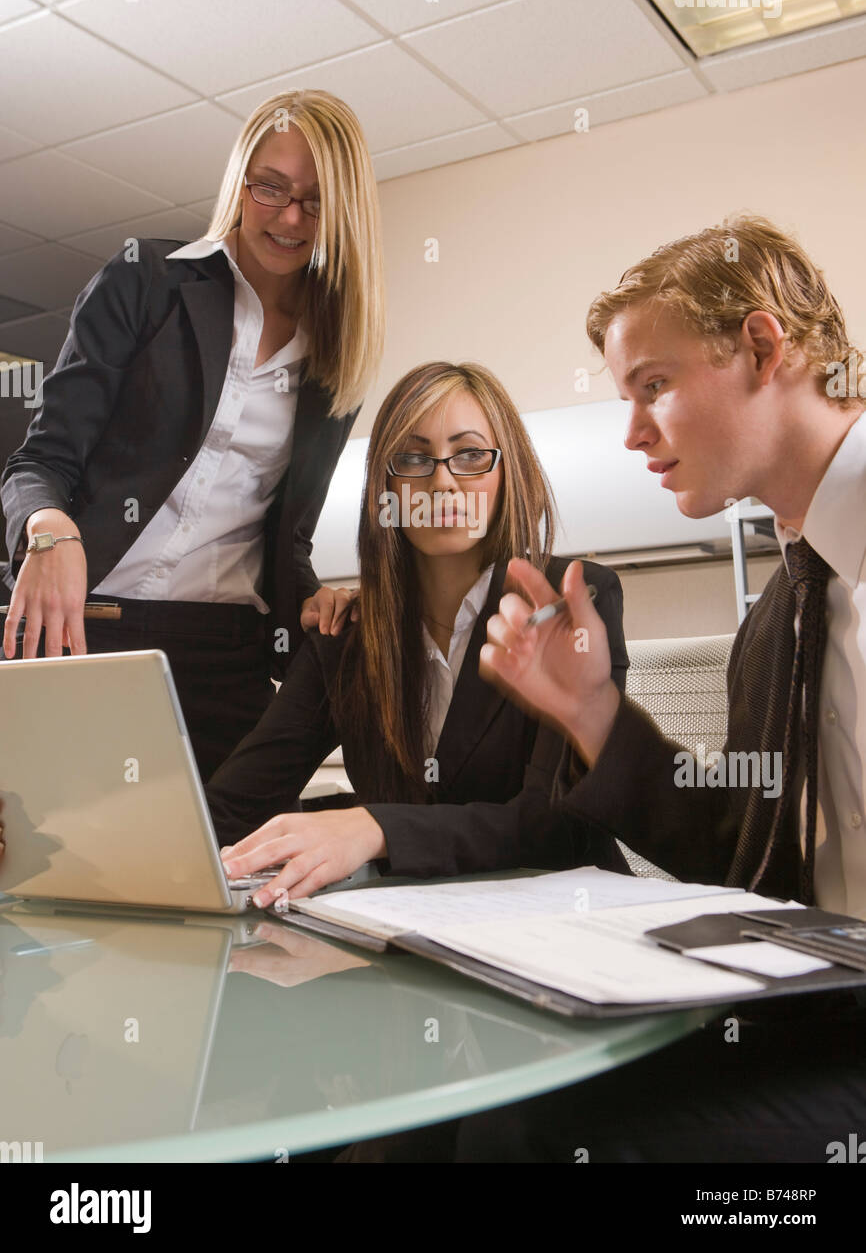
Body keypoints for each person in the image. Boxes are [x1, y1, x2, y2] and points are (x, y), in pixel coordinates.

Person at [369, 212, 864, 1164]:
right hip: (820, 1009)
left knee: (560, 1136)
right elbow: (743, 854)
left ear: (763, 346)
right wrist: (594, 712)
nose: (632, 430)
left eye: (654, 386)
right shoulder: (780, 623)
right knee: (504, 1102)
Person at [0, 90, 385, 781]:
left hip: (223, 654)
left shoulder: (336, 353)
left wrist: (318, 599)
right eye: (270, 187)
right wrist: (49, 530)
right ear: (240, 180)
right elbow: (40, 460)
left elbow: (284, 542)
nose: (289, 217)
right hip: (82, 627)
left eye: (316, 200)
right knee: (52, 862)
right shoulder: (148, 281)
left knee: (235, 869)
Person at [209, 360, 629, 899]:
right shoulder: (348, 634)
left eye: (471, 454)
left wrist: (375, 828)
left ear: (509, 471)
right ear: (386, 488)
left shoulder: (573, 599)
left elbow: (565, 823)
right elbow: (234, 807)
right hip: (421, 931)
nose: (442, 481)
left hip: (570, 921)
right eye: (412, 458)